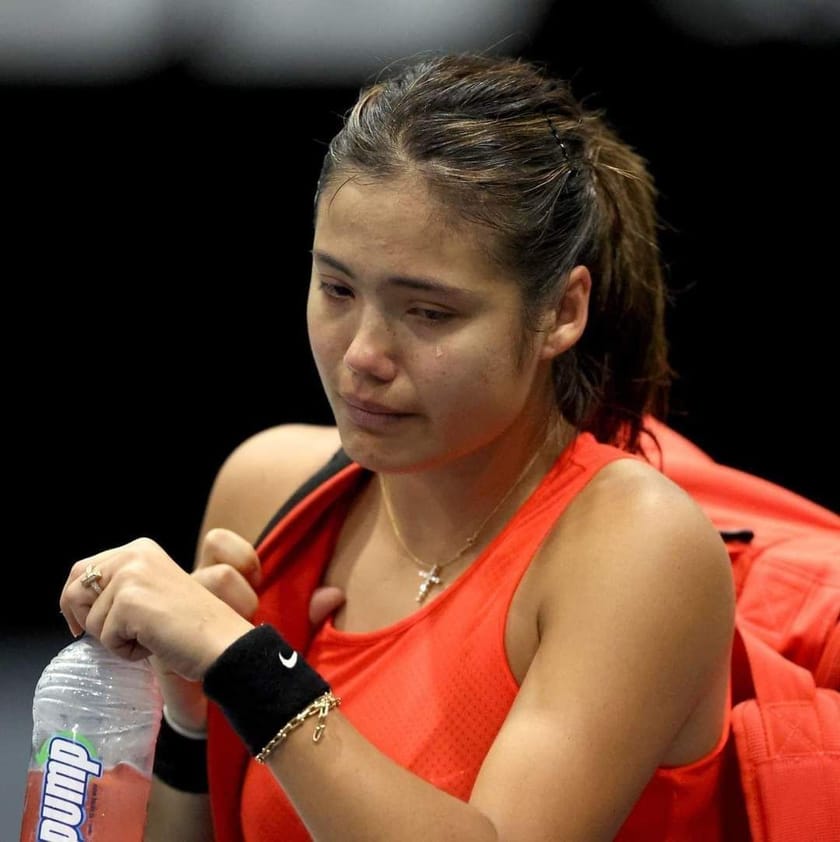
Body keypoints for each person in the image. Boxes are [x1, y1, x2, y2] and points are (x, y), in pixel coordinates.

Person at [60, 52, 737, 841]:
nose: (362, 356)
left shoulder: (636, 544)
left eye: (428, 313)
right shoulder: (265, 489)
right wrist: (192, 717)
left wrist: (247, 668)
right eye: (337, 289)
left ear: (561, 312)